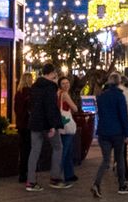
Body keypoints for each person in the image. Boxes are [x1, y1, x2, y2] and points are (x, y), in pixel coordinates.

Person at [24, 64, 66, 192]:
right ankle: (55, 177)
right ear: (52, 73)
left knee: (34, 150)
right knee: (58, 147)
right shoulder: (50, 88)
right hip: (47, 124)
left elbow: (31, 104)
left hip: (35, 123)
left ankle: (31, 181)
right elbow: (50, 107)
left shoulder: (35, 86)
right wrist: (53, 126)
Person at [91, 73, 128, 198]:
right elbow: (123, 116)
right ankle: (122, 185)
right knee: (119, 159)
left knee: (105, 160)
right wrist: (127, 133)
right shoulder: (120, 96)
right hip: (117, 132)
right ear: (119, 82)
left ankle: (96, 183)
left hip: (103, 132)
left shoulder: (101, 97)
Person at [57, 77, 80, 186]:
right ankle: (59, 176)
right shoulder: (65, 94)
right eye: (63, 83)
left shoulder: (57, 93)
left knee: (68, 149)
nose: (66, 85)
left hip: (60, 124)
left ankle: (69, 173)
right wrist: (75, 106)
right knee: (65, 150)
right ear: (60, 85)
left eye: (67, 83)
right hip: (66, 125)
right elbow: (75, 108)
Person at [14, 73, 35, 184]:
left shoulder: (18, 93)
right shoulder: (30, 93)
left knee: (23, 149)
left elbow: (16, 110)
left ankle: (22, 173)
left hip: (20, 124)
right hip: (28, 124)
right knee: (29, 149)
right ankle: (27, 173)